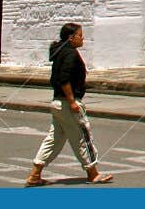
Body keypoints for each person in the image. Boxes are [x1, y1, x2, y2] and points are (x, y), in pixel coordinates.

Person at [25, 23, 112, 186]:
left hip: (57, 103)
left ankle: (35, 175)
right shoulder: (70, 54)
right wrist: (72, 101)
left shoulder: (60, 52)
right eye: (80, 35)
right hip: (67, 102)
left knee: (54, 139)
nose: (83, 38)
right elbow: (64, 79)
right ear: (71, 38)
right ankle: (93, 173)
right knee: (83, 137)